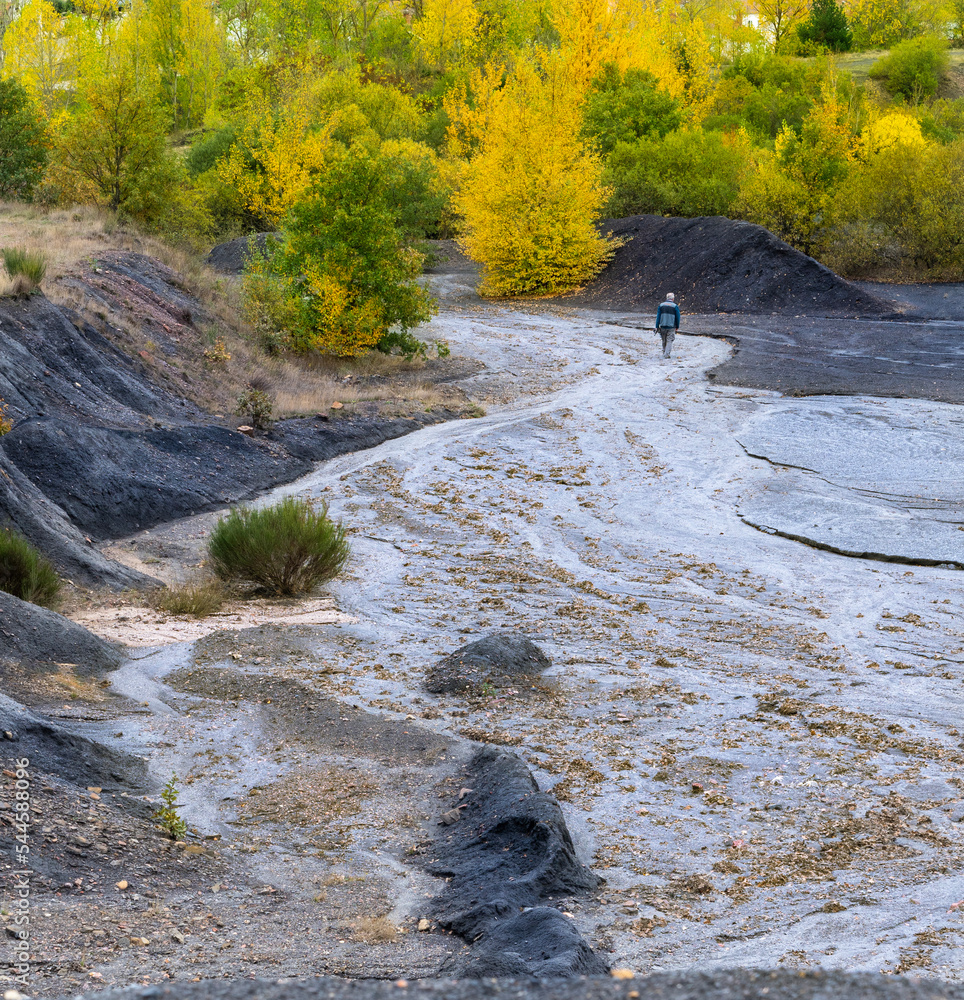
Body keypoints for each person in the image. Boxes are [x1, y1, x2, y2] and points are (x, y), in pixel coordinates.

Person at [655, 292, 681, 358]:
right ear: (673, 298)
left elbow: (658, 317)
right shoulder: (675, 306)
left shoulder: (661, 305)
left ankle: (664, 352)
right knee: (669, 340)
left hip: (663, 326)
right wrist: (677, 326)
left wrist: (657, 326)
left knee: (664, 340)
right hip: (671, 326)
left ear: (667, 298)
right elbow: (678, 317)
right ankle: (666, 355)